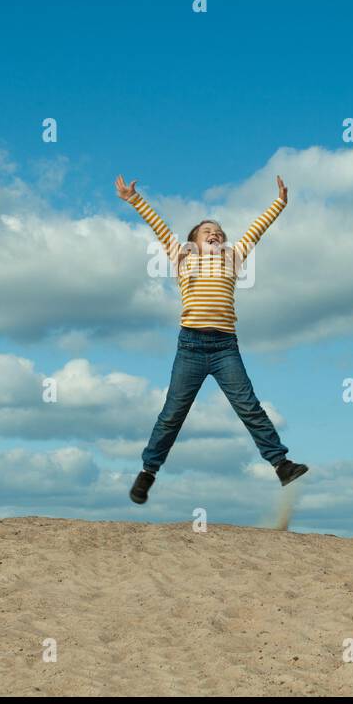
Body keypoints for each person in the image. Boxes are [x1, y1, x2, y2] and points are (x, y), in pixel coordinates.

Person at [115, 173, 309, 504]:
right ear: (193, 242)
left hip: (224, 349)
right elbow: (158, 225)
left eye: (219, 232)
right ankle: (148, 472)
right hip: (190, 347)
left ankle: (281, 465)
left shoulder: (233, 259)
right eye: (208, 232)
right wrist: (135, 200)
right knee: (173, 412)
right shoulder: (182, 256)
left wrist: (279, 203)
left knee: (248, 406)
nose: (215, 234)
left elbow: (256, 230)